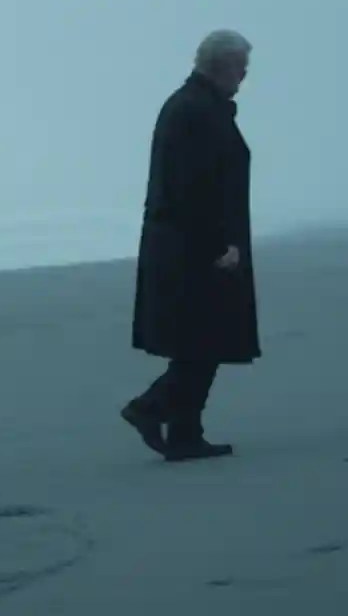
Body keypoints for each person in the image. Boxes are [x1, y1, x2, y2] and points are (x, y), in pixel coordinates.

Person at [122, 29, 262, 462]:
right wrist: (222, 243)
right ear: (221, 66)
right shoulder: (194, 111)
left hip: (187, 242)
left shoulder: (198, 107)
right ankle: (151, 408)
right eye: (241, 67)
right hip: (194, 246)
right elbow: (191, 188)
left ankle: (184, 433)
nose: (244, 76)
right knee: (204, 340)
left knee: (201, 342)